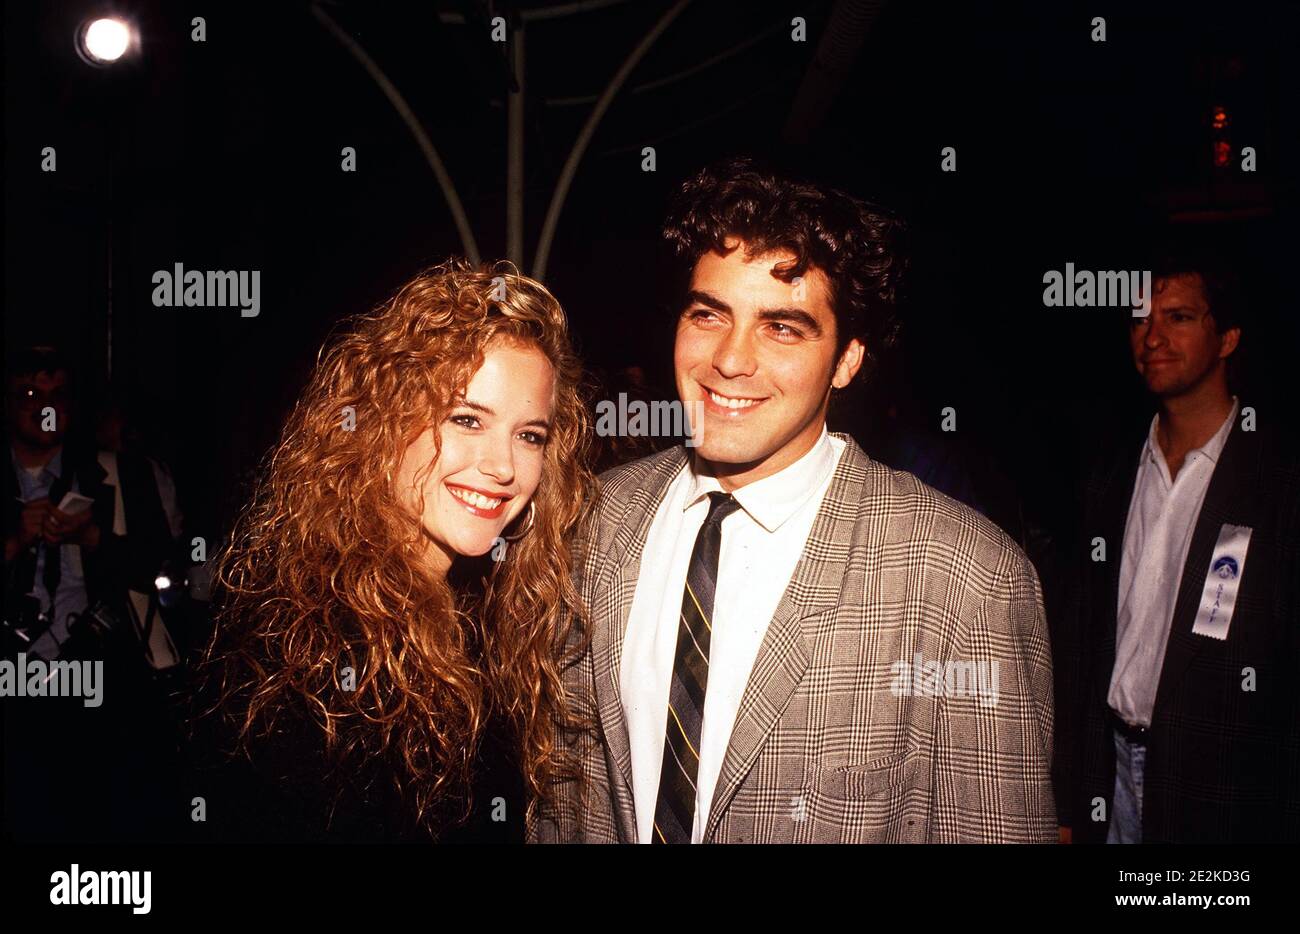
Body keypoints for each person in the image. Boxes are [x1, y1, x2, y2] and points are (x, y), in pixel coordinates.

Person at [529, 158, 1056, 844]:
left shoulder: (966, 579)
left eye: (782, 328)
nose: (730, 360)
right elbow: (560, 808)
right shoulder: (593, 521)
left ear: (847, 359)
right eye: (709, 314)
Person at [192, 259, 595, 843]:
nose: (504, 467)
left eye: (529, 435)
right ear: (382, 426)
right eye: (466, 420)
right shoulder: (310, 654)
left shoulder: (492, 620)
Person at [1060, 247, 1299, 843]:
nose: (1153, 337)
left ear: (1227, 338)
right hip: (1111, 776)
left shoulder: (1277, 482)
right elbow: (1087, 640)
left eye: (1180, 317)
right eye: (1141, 318)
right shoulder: (1110, 475)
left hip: (1223, 789)